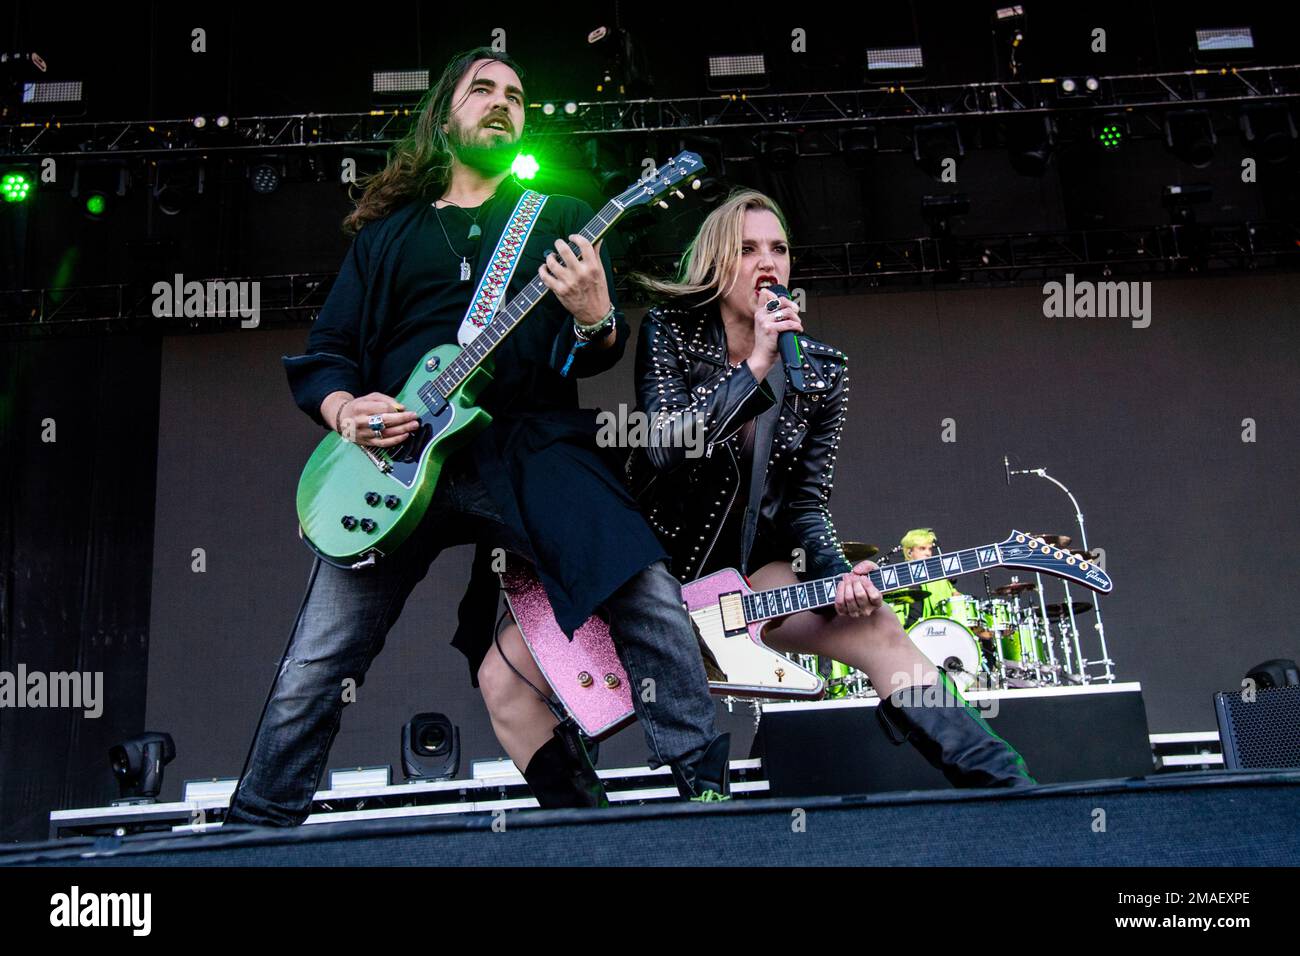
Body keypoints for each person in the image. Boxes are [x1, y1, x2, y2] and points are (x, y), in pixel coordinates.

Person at [223, 47, 730, 827]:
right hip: (393, 459)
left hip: (529, 441)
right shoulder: (388, 239)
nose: (502, 102)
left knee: (643, 588)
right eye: (483, 89)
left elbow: (594, 347)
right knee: (319, 658)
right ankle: (256, 822)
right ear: (443, 117)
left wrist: (596, 315)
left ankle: (707, 794)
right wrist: (346, 411)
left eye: (516, 96)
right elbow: (326, 353)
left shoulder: (558, 217)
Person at [478, 189, 1035, 798]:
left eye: (778, 249)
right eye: (746, 249)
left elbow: (804, 505)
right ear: (718, 265)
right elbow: (665, 445)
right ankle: (600, 833)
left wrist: (840, 575)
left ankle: (1004, 785)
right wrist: (755, 371)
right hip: (639, 571)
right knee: (502, 683)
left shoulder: (823, 370)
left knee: (878, 627)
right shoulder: (672, 332)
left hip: (746, 577)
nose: (766, 261)